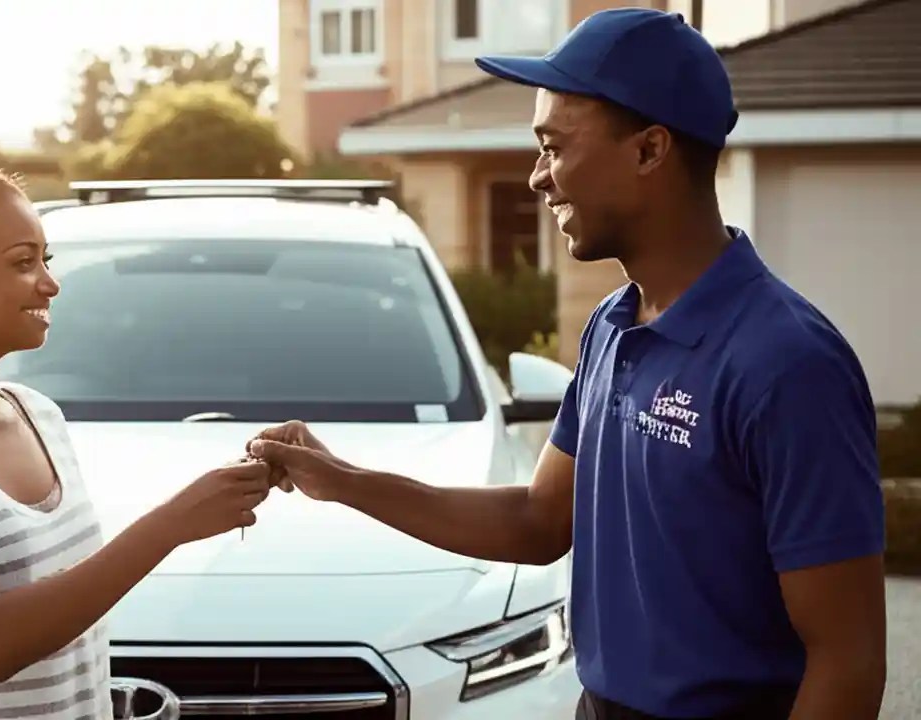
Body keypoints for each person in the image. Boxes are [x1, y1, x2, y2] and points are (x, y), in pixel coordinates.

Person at [248, 8, 886, 720]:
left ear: (649, 151)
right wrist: (342, 481)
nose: (536, 178)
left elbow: (848, 663)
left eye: (553, 147)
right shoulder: (612, 326)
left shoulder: (788, 364)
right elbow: (537, 520)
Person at [0, 127, 272, 720]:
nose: (50, 282)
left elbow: (70, 615)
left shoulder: (38, 415)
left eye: (46, 259)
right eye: (22, 262)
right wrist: (172, 525)